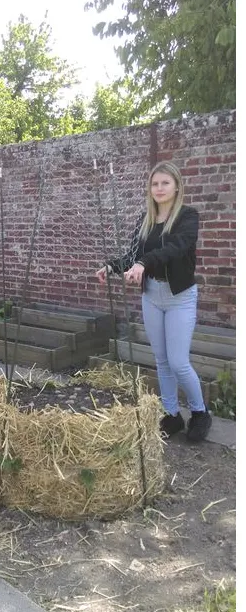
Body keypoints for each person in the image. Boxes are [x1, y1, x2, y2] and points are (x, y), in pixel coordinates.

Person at [96, 161, 212, 443]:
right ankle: (171, 414)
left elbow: (176, 248)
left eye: (165, 183)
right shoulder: (145, 220)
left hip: (180, 298)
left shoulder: (187, 217)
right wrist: (112, 266)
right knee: (161, 360)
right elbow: (133, 254)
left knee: (178, 361)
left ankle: (200, 413)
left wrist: (142, 263)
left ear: (176, 186)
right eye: (154, 183)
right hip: (152, 296)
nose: (159, 188)